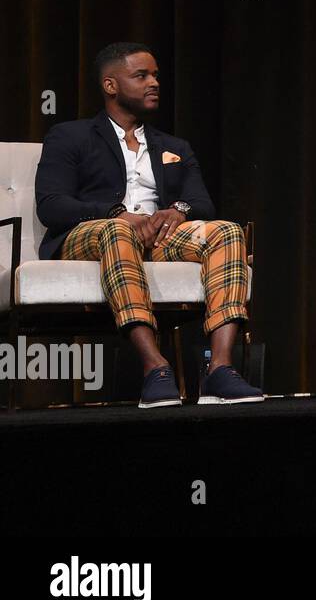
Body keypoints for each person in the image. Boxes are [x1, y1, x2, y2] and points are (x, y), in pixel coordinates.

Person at [34, 43, 263, 408]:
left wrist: (178, 210)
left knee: (226, 230)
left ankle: (220, 369)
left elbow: (202, 202)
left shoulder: (173, 146)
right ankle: (154, 367)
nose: (153, 82)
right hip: (91, 232)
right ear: (110, 85)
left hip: (158, 237)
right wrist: (116, 213)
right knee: (118, 231)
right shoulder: (70, 135)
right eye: (141, 75)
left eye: (155, 75)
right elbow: (52, 205)